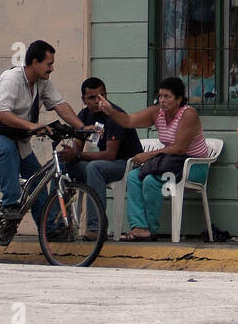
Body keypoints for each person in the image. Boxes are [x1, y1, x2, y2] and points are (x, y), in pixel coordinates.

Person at [0, 40, 91, 240]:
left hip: (17, 136)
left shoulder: (42, 82)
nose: (52, 68)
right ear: (35, 62)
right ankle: (10, 205)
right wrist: (33, 127)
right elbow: (2, 113)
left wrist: (81, 128)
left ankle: (49, 230)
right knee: (7, 149)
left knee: (38, 179)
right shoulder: (12, 80)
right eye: (49, 64)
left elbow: (60, 105)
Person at [89, 76, 208, 241]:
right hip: (169, 163)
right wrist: (111, 111)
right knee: (132, 177)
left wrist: (149, 154)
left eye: (167, 96)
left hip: (192, 166)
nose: (162, 100)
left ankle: (151, 230)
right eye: (160, 96)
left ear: (179, 99)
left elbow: (180, 148)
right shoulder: (157, 112)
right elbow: (128, 121)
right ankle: (139, 228)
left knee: (151, 181)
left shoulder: (188, 114)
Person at [55, 78, 144, 232]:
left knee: (94, 168)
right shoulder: (84, 115)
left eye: (101, 96)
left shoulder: (114, 115)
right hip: (107, 164)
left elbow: (110, 155)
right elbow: (77, 148)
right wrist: (71, 154)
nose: (97, 101)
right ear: (83, 100)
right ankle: (60, 226)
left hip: (126, 164)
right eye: (91, 98)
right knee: (61, 166)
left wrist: (77, 155)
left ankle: (96, 228)